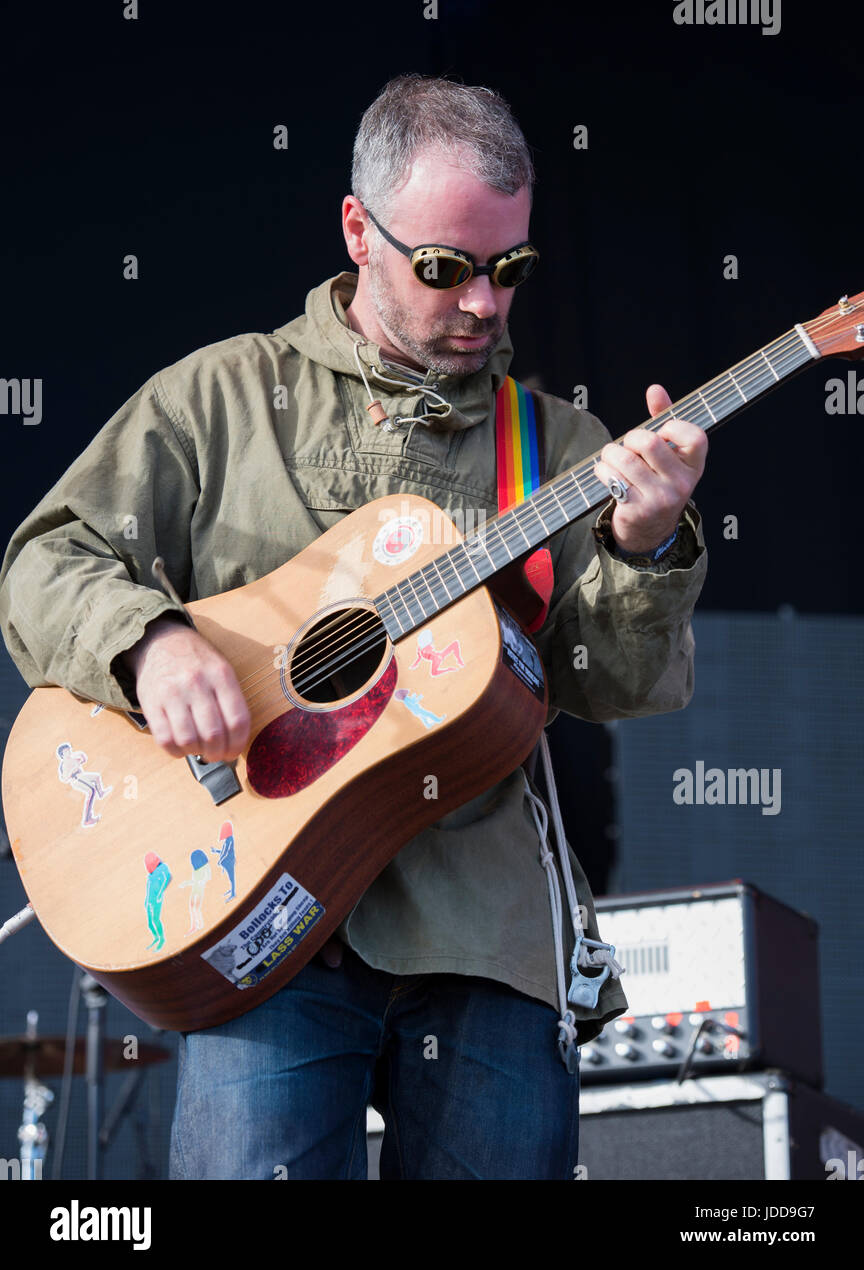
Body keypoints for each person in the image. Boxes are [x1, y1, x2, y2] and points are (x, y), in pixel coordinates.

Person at [0, 74, 708, 1179]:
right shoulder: (219, 398)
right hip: (259, 917)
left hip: (482, 937)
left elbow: (611, 678)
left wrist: (644, 544)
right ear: (356, 231)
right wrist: (149, 643)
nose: (484, 302)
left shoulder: (561, 451)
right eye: (446, 267)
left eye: (509, 268)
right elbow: (46, 561)